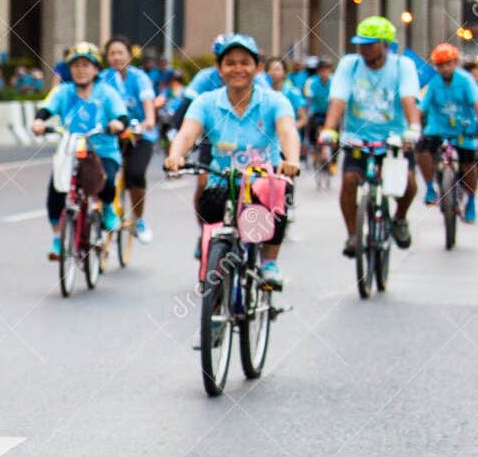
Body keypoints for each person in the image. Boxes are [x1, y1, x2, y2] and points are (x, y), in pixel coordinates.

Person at [164, 33, 300, 290]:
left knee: (280, 192)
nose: (237, 69)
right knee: (210, 211)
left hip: (262, 183)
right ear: (219, 68)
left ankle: (269, 262)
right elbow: (186, 133)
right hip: (221, 181)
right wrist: (176, 156)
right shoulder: (206, 103)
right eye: (230, 63)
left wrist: (291, 160)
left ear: (258, 68)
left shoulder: (274, 101)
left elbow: (287, 131)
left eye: (244, 62)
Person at [318, 15, 421, 256]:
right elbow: (339, 99)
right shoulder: (350, 64)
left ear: (385, 44)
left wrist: (414, 128)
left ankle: (400, 219)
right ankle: (353, 235)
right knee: (349, 181)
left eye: (370, 43)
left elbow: (408, 99)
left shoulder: (401, 66)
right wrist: (329, 129)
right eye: (360, 43)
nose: (363, 49)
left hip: (395, 139)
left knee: (408, 183)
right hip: (358, 139)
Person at [30, 41, 128, 259]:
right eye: (75, 66)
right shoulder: (64, 92)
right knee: (56, 191)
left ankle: (108, 210)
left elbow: (122, 116)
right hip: (71, 150)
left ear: (95, 69)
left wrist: (117, 124)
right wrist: (39, 122)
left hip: (102, 150)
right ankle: (58, 240)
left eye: (86, 65)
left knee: (106, 181)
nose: (80, 70)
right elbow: (46, 108)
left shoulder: (106, 92)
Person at [415, 43, 478, 222]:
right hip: (437, 127)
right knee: (422, 149)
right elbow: (422, 107)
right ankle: (430, 188)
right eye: (440, 65)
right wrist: (413, 125)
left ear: (455, 63)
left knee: (468, 165)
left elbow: (476, 104)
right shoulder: (433, 82)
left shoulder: (465, 80)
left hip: (463, 128)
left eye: (448, 63)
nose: (444, 68)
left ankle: (471, 200)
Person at [98, 35, 157, 243]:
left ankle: (138, 219)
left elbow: (149, 110)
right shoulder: (102, 79)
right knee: (97, 174)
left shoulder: (139, 78)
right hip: (110, 136)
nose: (116, 57)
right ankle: (98, 217)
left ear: (129, 56)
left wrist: (146, 123)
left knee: (136, 173)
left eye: (120, 53)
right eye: (112, 53)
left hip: (139, 136)